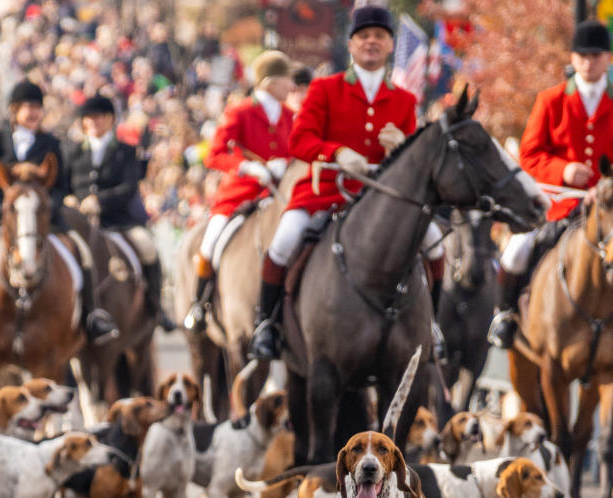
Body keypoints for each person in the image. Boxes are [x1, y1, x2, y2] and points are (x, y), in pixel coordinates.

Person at [248, 5, 446, 360]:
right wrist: (337, 153)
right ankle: (267, 324)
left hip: (384, 200)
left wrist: (403, 148)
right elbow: (299, 141)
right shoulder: (325, 89)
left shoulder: (404, 100)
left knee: (434, 243)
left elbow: (417, 164)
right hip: (327, 194)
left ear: (389, 46)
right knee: (283, 240)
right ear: (351, 45)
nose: (371, 42)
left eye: (379, 37)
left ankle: (432, 325)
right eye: (364, 36)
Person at [489, 19, 613, 348]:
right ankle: (504, 316)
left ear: (608, 60)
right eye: (583, 56)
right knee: (516, 251)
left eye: (597, 56)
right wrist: (564, 171)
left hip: (607, 209)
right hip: (557, 203)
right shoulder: (550, 100)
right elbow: (529, 156)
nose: (589, 63)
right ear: (572, 59)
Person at [0, 80, 118, 345]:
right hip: (0, 219)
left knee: (82, 253)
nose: (34, 112)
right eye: (28, 107)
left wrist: (45, 209)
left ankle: (91, 316)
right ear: (14, 110)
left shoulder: (50, 142)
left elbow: (61, 186)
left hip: (42, 221)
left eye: (37, 107)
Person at [188, 50, 295, 333]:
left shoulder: (291, 116)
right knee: (209, 245)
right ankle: (200, 303)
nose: (292, 87)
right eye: (287, 81)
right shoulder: (240, 111)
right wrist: (248, 167)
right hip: (240, 196)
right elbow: (215, 155)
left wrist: (286, 165)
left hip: (277, 197)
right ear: (270, 82)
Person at [65, 94, 174, 332]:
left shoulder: (125, 151)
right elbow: (65, 184)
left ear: (110, 119)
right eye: (88, 118)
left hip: (118, 222)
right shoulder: (72, 152)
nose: (93, 122)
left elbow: (128, 188)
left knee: (147, 247)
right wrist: (71, 199)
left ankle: (156, 308)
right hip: (80, 223)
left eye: (98, 117)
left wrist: (99, 201)